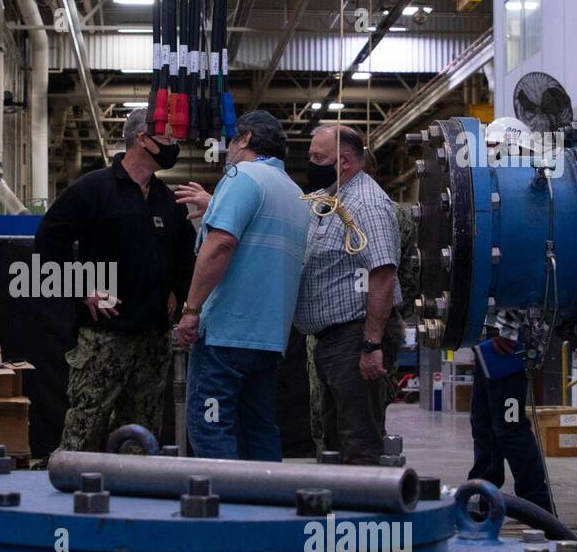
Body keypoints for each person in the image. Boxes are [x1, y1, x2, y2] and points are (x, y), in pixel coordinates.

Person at [35, 107, 196, 453]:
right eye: (166, 136)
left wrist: (177, 292)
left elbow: (186, 254)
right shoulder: (93, 189)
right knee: (85, 422)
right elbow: (49, 241)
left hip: (152, 337)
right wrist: (82, 288)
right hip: (103, 337)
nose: (173, 144)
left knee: (142, 431)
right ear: (142, 139)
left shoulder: (167, 201)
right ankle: (64, 493)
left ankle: (135, 494)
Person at [173, 111, 307, 460]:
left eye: (231, 141)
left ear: (245, 139)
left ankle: (223, 510)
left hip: (226, 335)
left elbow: (221, 245)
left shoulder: (242, 176)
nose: (227, 149)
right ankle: (265, 508)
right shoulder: (294, 193)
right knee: (259, 429)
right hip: (268, 341)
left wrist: (191, 311)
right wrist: (215, 204)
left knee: (211, 426)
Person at [293, 123, 403, 464]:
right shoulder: (332, 199)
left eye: (317, 156)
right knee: (334, 437)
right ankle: (339, 513)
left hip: (356, 335)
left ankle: (363, 515)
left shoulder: (365, 203)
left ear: (343, 162)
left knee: (359, 440)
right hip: (333, 339)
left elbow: (382, 274)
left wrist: (371, 344)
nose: (310, 161)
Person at [467, 311, 555, 513]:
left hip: (509, 341)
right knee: (484, 426)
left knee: (510, 429)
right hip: (492, 337)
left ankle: (540, 512)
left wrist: (508, 328)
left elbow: (522, 283)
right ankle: (483, 502)